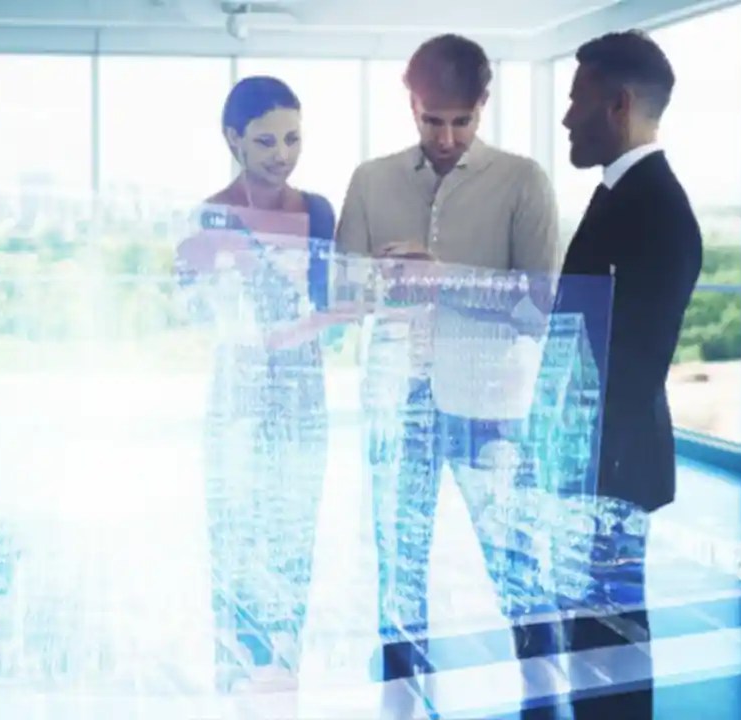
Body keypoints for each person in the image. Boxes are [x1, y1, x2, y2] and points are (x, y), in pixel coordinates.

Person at [334, 33, 562, 717]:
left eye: (461, 121)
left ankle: (545, 692)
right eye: (432, 120)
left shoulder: (524, 181)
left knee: (514, 558)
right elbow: (347, 293)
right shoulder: (371, 180)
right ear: (411, 103)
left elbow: (541, 304)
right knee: (397, 564)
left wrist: (445, 278)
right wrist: (380, 282)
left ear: (483, 106)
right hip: (395, 398)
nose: (447, 136)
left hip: (491, 401)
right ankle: (402, 700)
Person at [555, 30, 701, 719]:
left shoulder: (657, 209)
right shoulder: (623, 194)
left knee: (611, 638)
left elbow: (633, 361)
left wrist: (583, 466)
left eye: (576, 99)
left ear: (616, 104)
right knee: (595, 635)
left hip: (611, 467)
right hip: (596, 461)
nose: (565, 117)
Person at [175, 75, 332, 695]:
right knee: (235, 521)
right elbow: (190, 313)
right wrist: (214, 281)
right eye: (266, 140)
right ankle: (235, 665)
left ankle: (283, 667)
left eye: (293, 138)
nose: (282, 154)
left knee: (296, 521)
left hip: (303, 388)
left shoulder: (317, 211)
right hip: (235, 387)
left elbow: (332, 301)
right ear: (233, 138)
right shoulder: (211, 214)